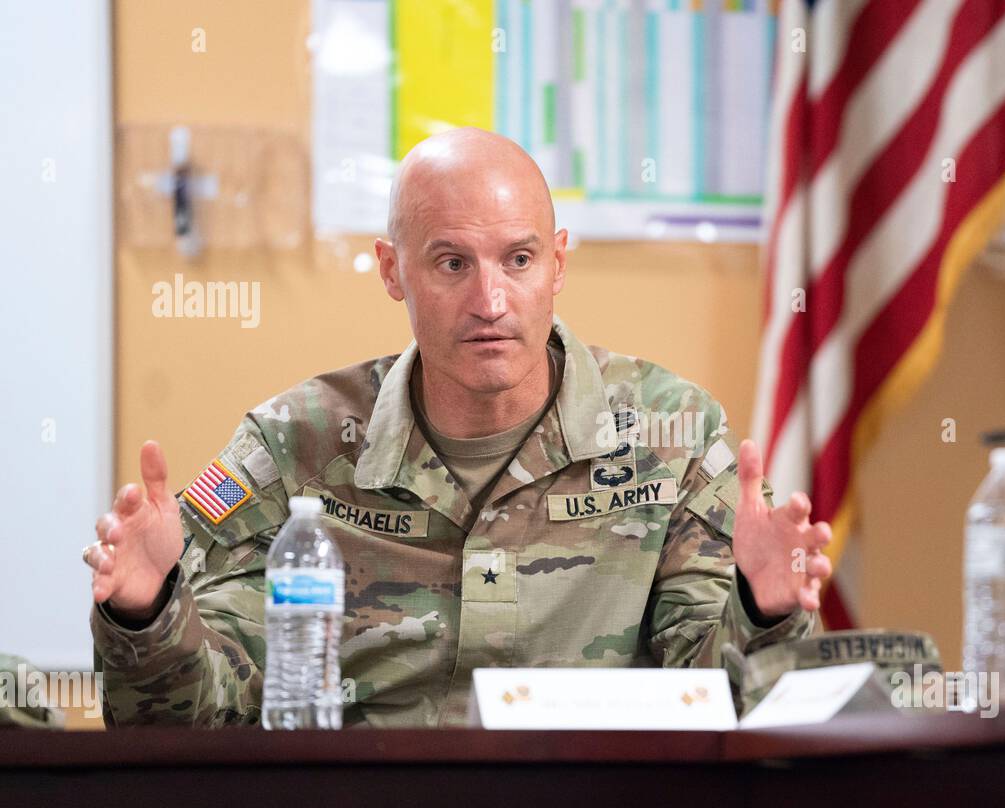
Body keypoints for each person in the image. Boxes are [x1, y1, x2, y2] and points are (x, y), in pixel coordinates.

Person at [83, 128, 833, 728]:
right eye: (451, 263)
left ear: (558, 264)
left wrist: (761, 608)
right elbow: (191, 725)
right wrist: (146, 614)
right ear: (390, 270)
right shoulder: (294, 447)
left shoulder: (670, 435)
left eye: (519, 259)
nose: (491, 299)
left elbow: (724, 710)